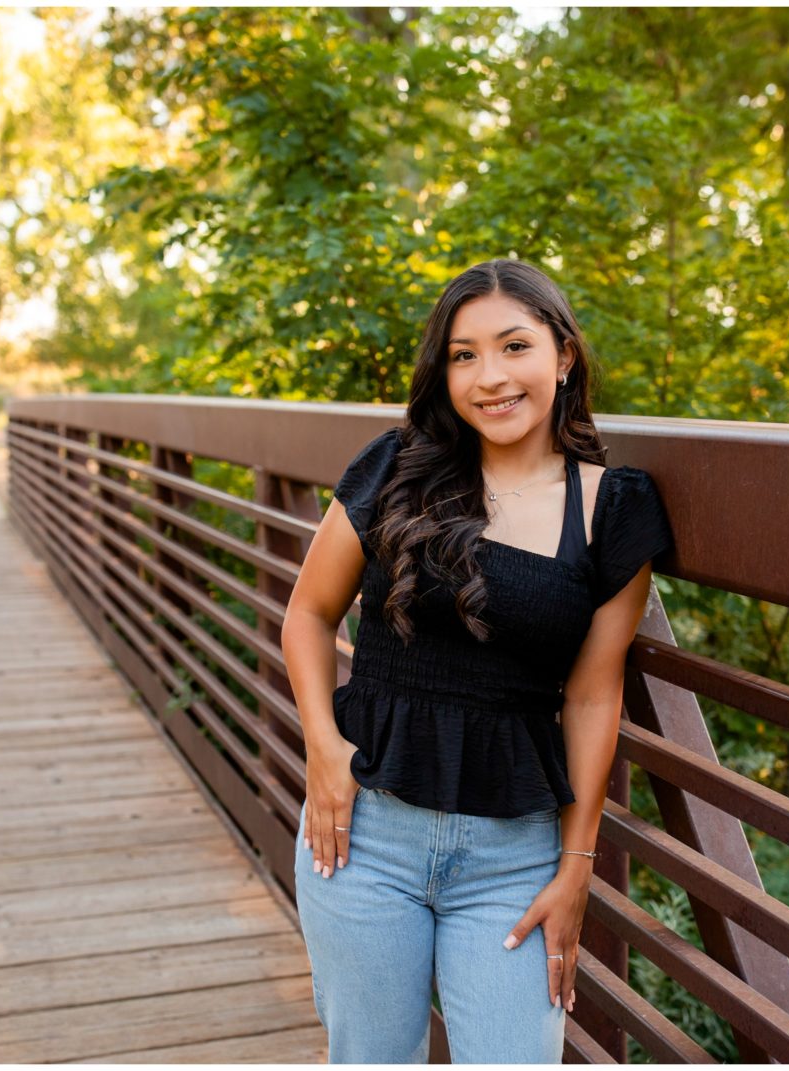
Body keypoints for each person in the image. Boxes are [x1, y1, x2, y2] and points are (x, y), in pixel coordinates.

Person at [282, 258, 674, 1063]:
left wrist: (576, 865)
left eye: (514, 346)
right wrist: (324, 750)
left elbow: (594, 699)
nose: (489, 376)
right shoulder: (395, 469)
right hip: (365, 831)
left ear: (564, 356)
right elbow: (310, 615)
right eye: (464, 355)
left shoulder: (613, 509)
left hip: (516, 857)